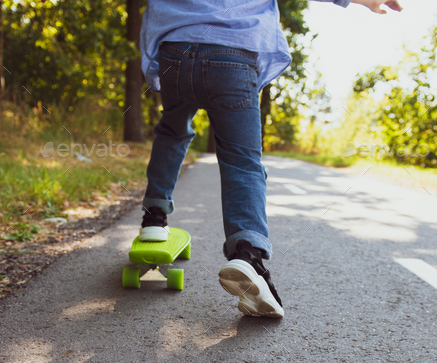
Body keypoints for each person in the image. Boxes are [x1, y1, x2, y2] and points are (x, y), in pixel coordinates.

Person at [138, 0, 403, 318]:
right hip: (232, 51)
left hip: (175, 54)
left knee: (172, 132)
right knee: (241, 159)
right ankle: (247, 255)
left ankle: (154, 218)